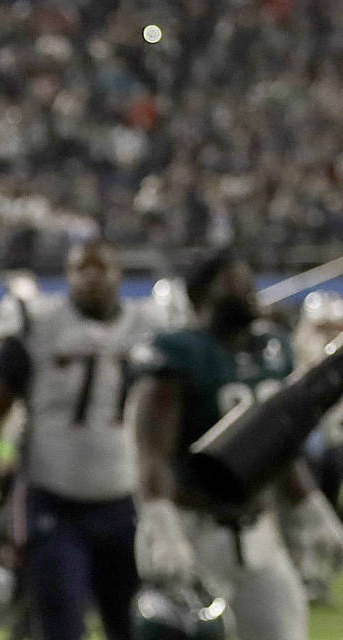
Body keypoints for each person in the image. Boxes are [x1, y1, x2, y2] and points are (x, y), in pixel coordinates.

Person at [128, 250, 343, 640]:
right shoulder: (179, 353)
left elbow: (277, 446)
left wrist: (310, 506)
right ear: (201, 295)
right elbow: (151, 451)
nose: (248, 288)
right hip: (192, 533)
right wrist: (161, 524)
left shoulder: (273, 348)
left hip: (259, 533)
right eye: (235, 279)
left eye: (248, 278)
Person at [0, 240, 159, 640]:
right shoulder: (38, 324)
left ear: (119, 274)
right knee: (60, 621)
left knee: (130, 624)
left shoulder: (148, 326)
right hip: (52, 500)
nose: (91, 276)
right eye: (80, 268)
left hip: (122, 499)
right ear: (68, 275)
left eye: (101, 267)